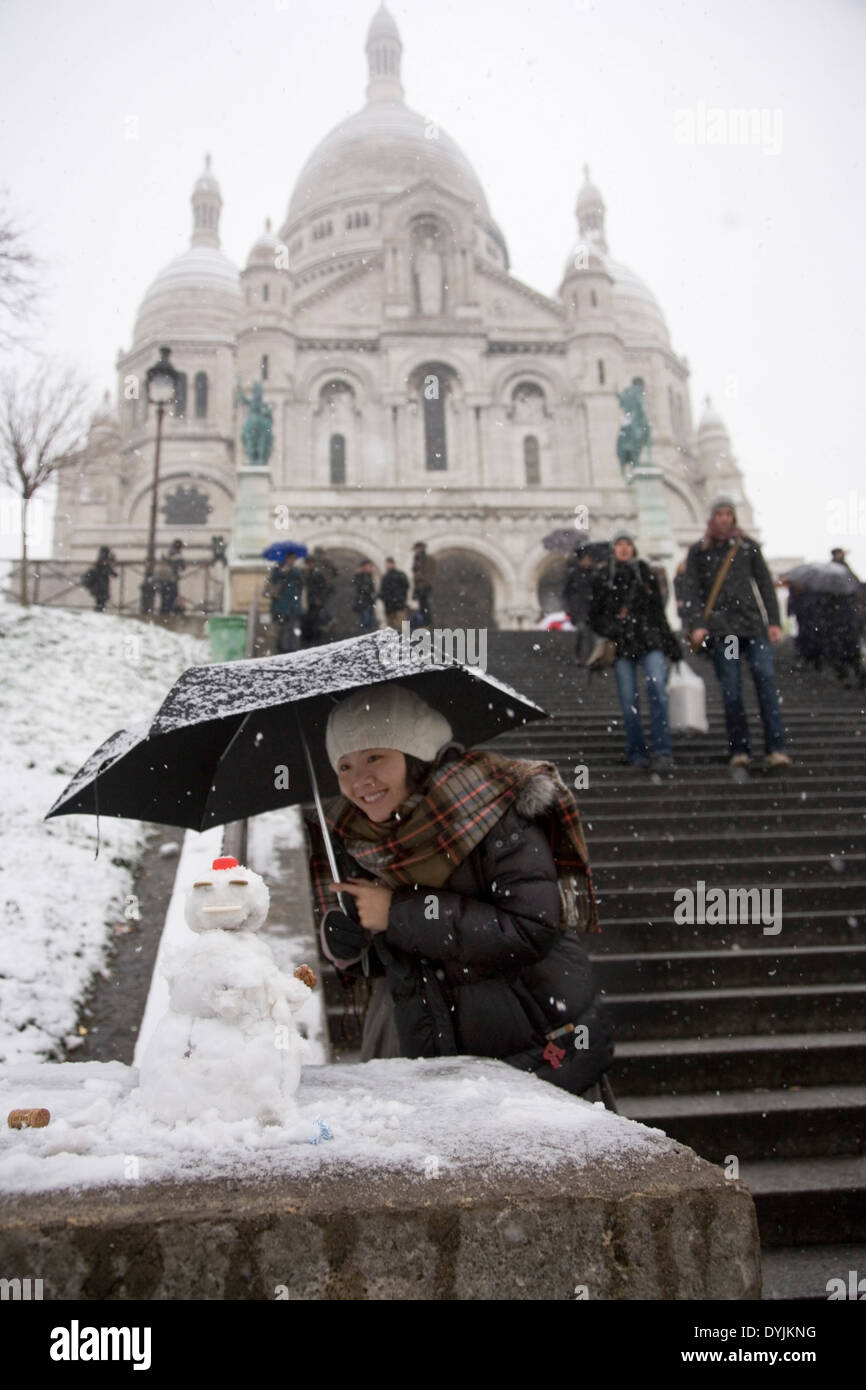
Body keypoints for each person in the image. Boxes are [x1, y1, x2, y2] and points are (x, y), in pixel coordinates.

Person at [305, 685, 614, 1100]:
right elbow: (388, 959)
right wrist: (347, 942)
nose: (360, 780)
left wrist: (396, 913)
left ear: (413, 753)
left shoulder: (495, 809)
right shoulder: (354, 836)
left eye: (374, 756)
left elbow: (531, 928)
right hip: (425, 1049)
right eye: (344, 766)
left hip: (531, 1046)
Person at [683, 494, 790, 769]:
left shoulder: (747, 547)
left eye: (728, 514)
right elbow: (691, 590)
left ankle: (776, 748)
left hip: (753, 626)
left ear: (734, 517)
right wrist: (697, 624)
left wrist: (774, 621)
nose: (724, 519)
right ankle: (739, 748)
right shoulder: (699, 551)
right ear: (712, 518)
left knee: (765, 681)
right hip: (725, 632)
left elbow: (765, 584)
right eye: (719, 514)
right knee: (732, 689)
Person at [588, 529, 680, 772]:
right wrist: (612, 628)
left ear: (633, 547)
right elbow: (593, 615)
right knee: (629, 700)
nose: (624, 548)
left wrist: (672, 643)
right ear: (613, 549)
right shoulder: (603, 577)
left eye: (628, 543)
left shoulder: (645, 572)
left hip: (650, 640)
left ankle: (662, 751)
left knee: (657, 689)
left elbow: (658, 610)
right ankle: (636, 752)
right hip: (621, 645)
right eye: (620, 544)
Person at [561, 546, 595, 663]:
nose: (587, 562)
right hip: (578, 609)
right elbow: (565, 592)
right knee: (582, 632)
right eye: (585, 559)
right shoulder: (573, 574)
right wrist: (568, 608)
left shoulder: (594, 574)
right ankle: (579, 656)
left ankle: (588, 657)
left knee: (590, 634)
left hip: (591, 609)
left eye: (588, 559)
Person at [265, 552, 304, 653]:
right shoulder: (276, 571)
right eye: (290, 559)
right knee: (281, 631)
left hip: (293, 607)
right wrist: (282, 573)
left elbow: (300, 584)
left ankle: (293, 651)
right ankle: (283, 651)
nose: (292, 561)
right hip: (280, 607)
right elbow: (270, 587)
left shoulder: (295, 572)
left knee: (293, 630)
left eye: (293, 559)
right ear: (285, 559)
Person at [154, 538, 185, 616]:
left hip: (162, 577)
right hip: (171, 578)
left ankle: (163, 612)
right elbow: (183, 566)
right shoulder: (177, 555)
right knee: (172, 595)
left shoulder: (167, 553)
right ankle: (168, 612)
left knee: (164, 595)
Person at [378, 556, 410, 632]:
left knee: (402, 625)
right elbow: (383, 590)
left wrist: (400, 597)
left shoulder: (399, 575)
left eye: (388, 564)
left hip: (398, 605)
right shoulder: (385, 577)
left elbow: (406, 587)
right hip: (389, 606)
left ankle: (404, 640)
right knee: (390, 628)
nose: (387, 566)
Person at [82, 546, 117, 612]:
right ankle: (99, 611)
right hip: (101, 584)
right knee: (101, 601)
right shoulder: (103, 562)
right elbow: (112, 573)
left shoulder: (101, 561)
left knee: (100, 601)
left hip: (99, 585)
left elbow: (112, 573)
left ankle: (99, 611)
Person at [411, 541, 436, 628]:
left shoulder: (426, 559)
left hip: (425, 586)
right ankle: (423, 624)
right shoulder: (417, 559)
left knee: (425, 605)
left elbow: (429, 573)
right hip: (419, 586)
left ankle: (427, 624)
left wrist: (423, 579)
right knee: (422, 605)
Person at [351, 558, 377, 633]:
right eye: (369, 566)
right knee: (366, 623)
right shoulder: (361, 576)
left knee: (369, 623)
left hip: (368, 602)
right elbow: (362, 588)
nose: (370, 568)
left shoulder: (369, 576)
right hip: (364, 603)